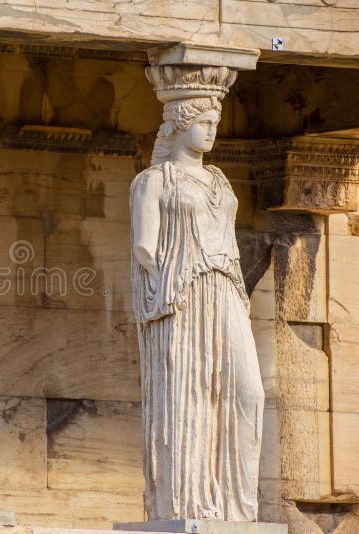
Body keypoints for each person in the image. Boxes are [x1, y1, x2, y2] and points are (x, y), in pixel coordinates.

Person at [130, 95, 265, 521]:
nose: (212, 129)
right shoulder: (154, 181)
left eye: (216, 121)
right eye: (204, 121)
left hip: (226, 291)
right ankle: (187, 502)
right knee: (189, 395)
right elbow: (144, 250)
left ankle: (236, 507)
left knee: (249, 392)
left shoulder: (221, 182)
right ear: (179, 123)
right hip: (182, 294)